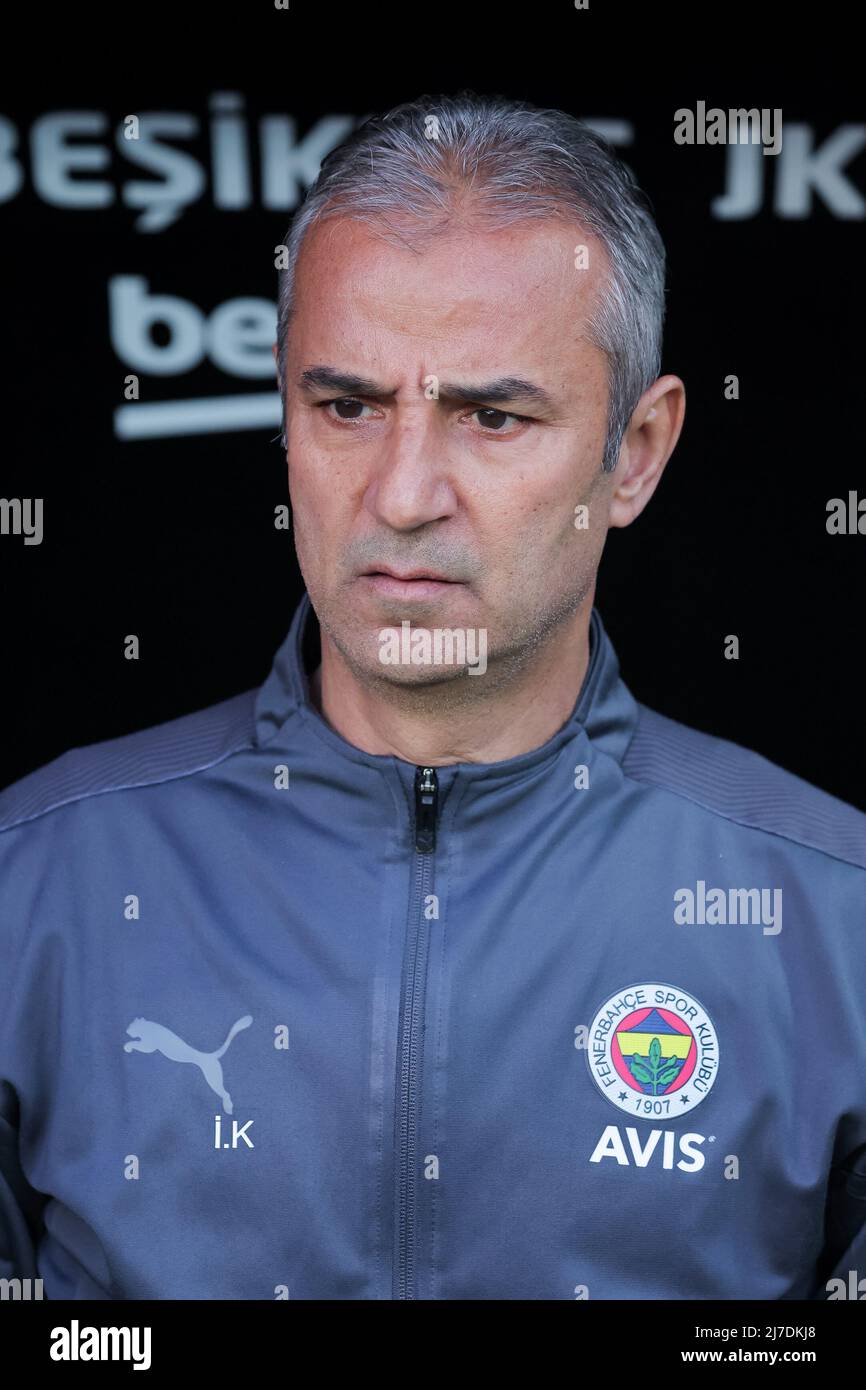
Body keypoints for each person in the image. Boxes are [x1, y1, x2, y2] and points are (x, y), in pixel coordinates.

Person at [2, 91, 865, 1302]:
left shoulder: (832, 916)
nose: (402, 493)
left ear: (637, 453)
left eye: (491, 415)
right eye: (345, 406)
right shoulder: (33, 881)